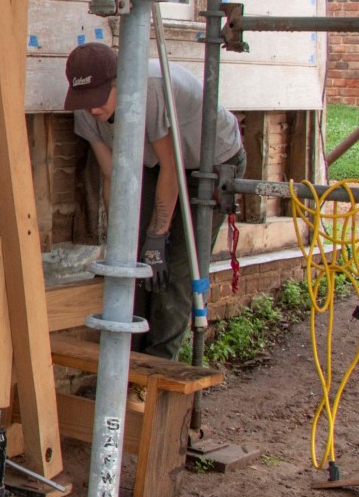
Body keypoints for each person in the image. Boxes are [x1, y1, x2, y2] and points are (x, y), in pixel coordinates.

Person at [64, 41, 244, 360]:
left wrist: (156, 237)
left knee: (176, 264)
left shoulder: (148, 92)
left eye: (99, 97)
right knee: (135, 259)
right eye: (85, 99)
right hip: (157, 161)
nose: (92, 108)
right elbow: (113, 178)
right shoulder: (86, 110)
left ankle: (160, 365)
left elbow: (172, 168)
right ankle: (130, 363)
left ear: (119, 82)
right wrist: (118, 240)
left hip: (211, 157)